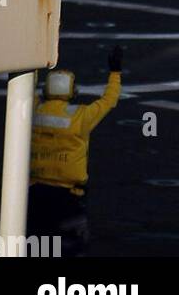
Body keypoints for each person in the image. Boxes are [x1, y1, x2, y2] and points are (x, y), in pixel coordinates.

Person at [28, 46, 122, 255]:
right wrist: (115, 73)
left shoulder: (33, 110)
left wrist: (30, 59)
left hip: (36, 190)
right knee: (71, 245)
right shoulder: (80, 116)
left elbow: (27, 87)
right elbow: (109, 101)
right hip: (68, 194)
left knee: (36, 244)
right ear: (72, 91)